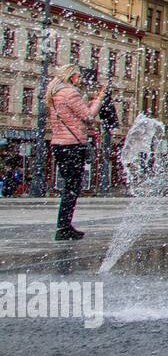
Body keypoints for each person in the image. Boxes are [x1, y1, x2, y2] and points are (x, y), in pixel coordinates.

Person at [47, 64, 105, 240]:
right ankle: (63, 227)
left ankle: (64, 225)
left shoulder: (54, 93)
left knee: (69, 186)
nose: (79, 80)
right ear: (72, 77)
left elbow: (71, 115)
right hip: (72, 144)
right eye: (78, 77)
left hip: (58, 143)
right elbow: (88, 116)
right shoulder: (70, 92)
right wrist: (99, 99)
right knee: (72, 187)